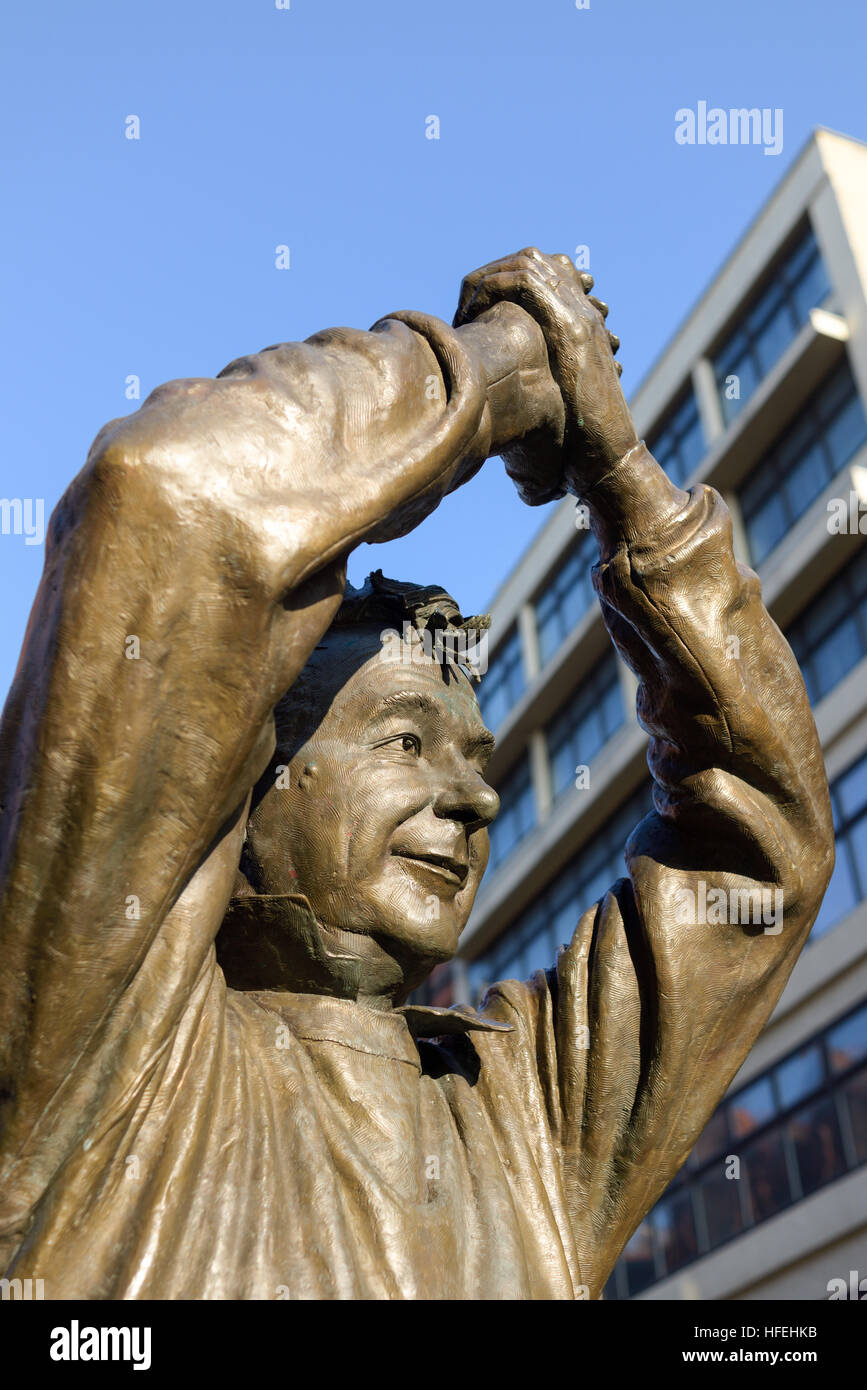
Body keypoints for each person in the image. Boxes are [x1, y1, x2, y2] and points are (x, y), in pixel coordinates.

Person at [0, 249, 833, 1299]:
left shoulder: (528, 1113)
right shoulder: (104, 1050)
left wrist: (619, 471)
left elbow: (759, 852)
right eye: (404, 743)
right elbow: (170, 495)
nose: (476, 797)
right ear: (253, 786)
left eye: (476, 761)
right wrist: (500, 374)